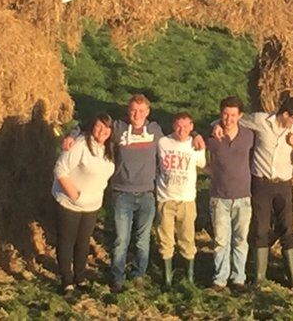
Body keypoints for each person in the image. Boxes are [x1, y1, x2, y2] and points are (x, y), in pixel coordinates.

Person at [62, 94, 203, 292]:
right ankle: (118, 277)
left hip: (146, 193)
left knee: (143, 240)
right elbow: (90, 126)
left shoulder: (155, 130)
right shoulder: (118, 128)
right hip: (122, 193)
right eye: (133, 111)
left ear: (148, 112)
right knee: (121, 239)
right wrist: (72, 134)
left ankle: (139, 275)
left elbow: (181, 131)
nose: (137, 115)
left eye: (141, 111)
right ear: (128, 111)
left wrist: (195, 133)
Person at [216, 96, 293, 287]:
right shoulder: (260, 121)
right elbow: (234, 119)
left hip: (284, 183)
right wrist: (216, 125)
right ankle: (259, 277)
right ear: (285, 114)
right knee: (260, 228)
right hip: (262, 183)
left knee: (287, 228)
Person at [52, 113, 116, 297]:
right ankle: (66, 281)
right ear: (92, 127)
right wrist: (75, 195)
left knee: (83, 242)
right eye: (98, 127)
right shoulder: (80, 144)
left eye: (107, 128)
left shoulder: (109, 149)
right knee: (67, 241)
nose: (102, 131)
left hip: (92, 204)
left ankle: (79, 277)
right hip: (70, 202)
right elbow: (60, 169)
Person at [206, 96, 256, 291]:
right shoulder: (213, 135)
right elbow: (193, 136)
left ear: (240, 116)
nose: (229, 119)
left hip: (243, 196)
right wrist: (212, 127)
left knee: (240, 239)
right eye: (225, 114)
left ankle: (238, 278)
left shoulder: (249, 135)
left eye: (233, 115)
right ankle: (220, 279)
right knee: (220, 240)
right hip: (219, 196)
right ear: (220, 115)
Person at [155, 112, 206, 286]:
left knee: (187, 238)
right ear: (172, 125)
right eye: (178, 125)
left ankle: (189, 276)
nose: (181, 130)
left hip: (186, 199)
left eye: (185, 126)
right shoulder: (162, 142)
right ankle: (167, 277)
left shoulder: (196, 145)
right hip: (165, 198)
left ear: (192, 127)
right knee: (165, 238)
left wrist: (196, 135)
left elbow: (202, 164)